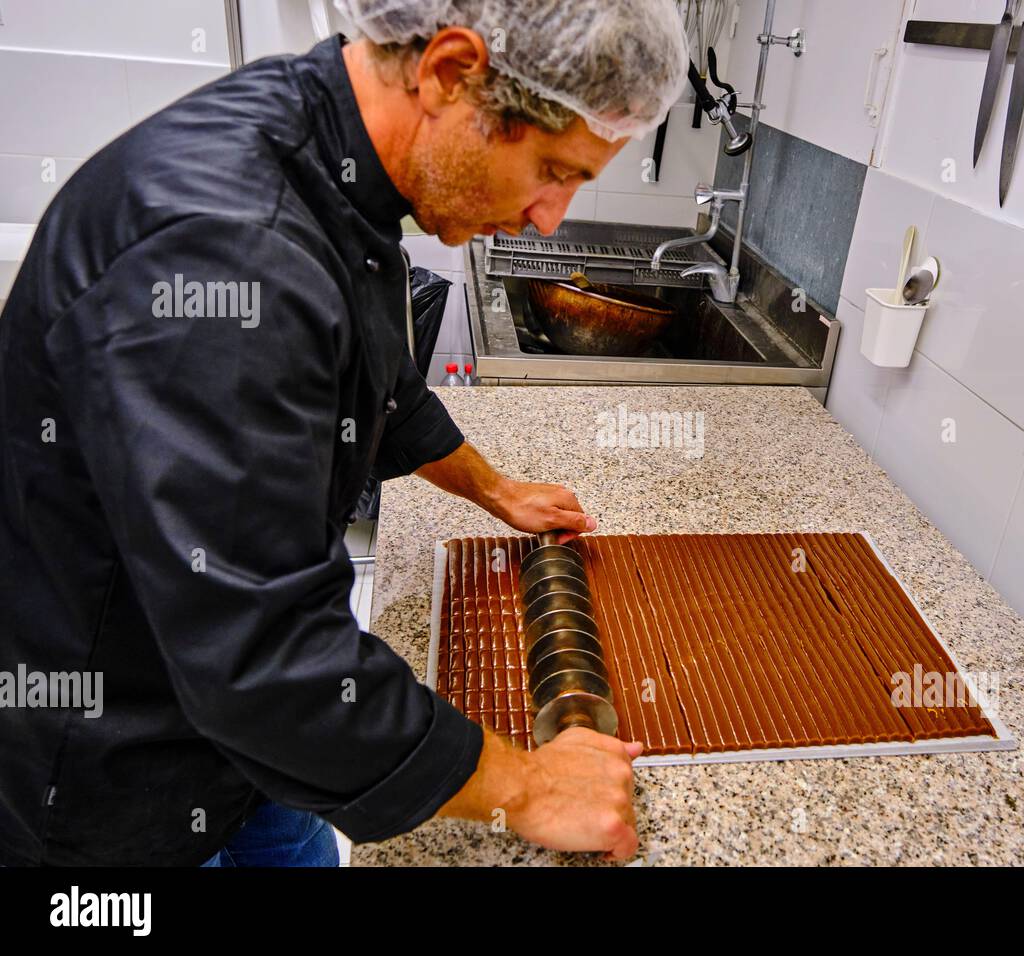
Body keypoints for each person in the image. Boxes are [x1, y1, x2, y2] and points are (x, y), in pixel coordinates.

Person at [0, 0, 688, 866]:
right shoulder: (225, 252)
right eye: (554, 169)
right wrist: (529, 785)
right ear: (449, 72)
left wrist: (491, 487)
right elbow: (260, 656)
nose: (549, 217)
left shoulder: (328, 159)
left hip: (247, 755)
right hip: (118, 772)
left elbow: (377, 376)